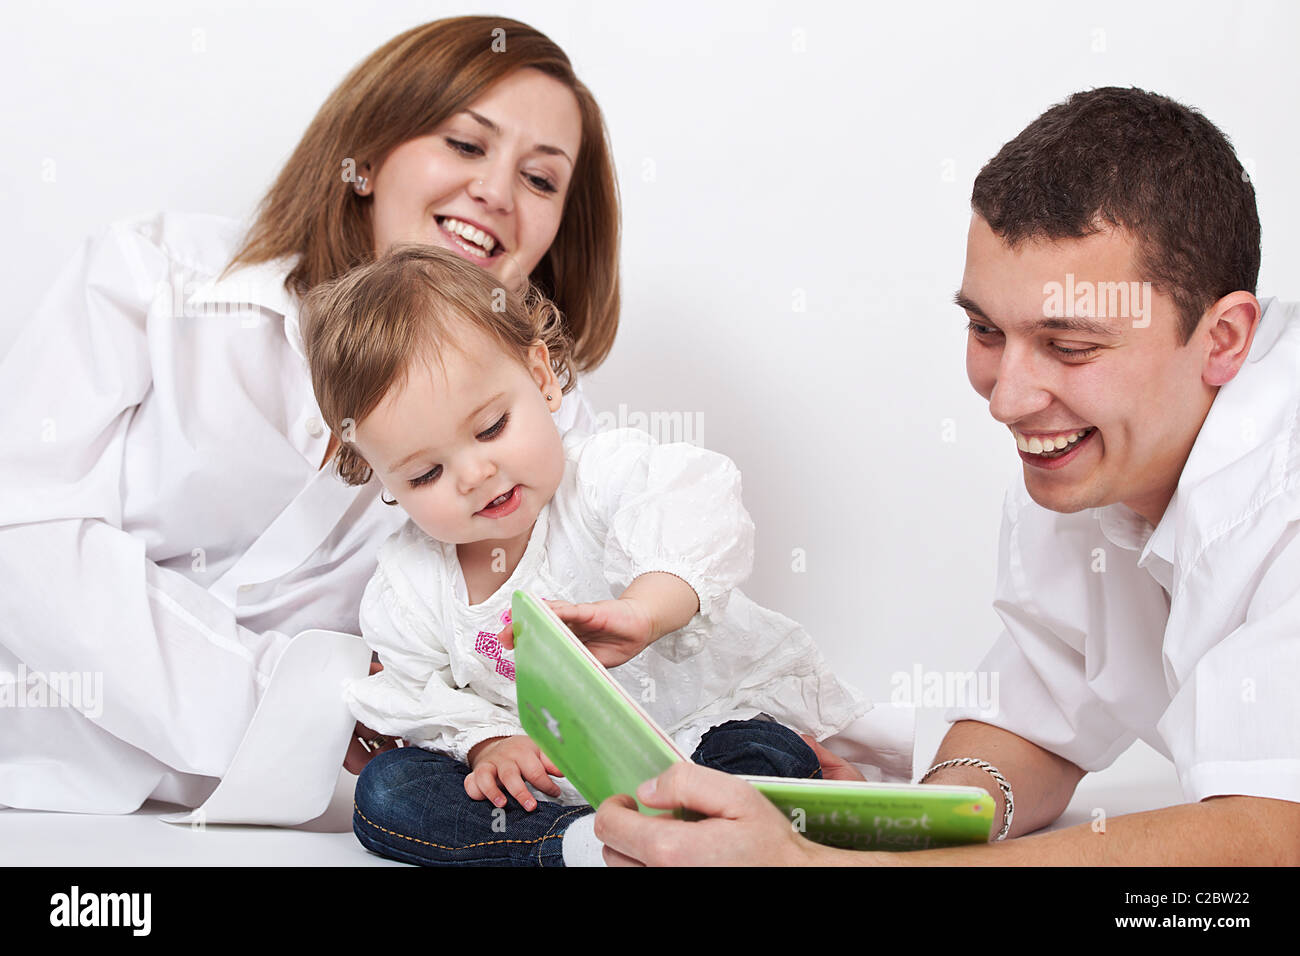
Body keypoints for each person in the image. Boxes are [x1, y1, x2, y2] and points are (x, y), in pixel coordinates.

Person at [592, 87, 1300, 865]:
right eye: (987, 330)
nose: (1009, 399)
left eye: (1070, 347)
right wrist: (902, 824)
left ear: (1224, 338)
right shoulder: (1093, 454)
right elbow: (1035, 718)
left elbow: (1271, 835)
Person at [0, 15, 620, 816]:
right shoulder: (154, 281)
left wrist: (776, 736)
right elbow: (24, 533)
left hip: (296, 835)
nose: (497, 194)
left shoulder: (548, 424)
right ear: (367, 156)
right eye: (465, 145)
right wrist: (323, 698)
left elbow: (589, 641)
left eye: (541, 181)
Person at [300, 242, 889, 866]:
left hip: (698, 736)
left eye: (491, 427)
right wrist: (488, 742)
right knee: (386, 793)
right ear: (382, 480)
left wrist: (647, 606)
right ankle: (586, 849)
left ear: (541, 377)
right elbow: (420, 691)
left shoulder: (604, 478)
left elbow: (696, 506)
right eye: (424, 474)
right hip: (553, 788)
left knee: (770, 756)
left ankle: (717, 835)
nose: (474, 474)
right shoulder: (409, 581)